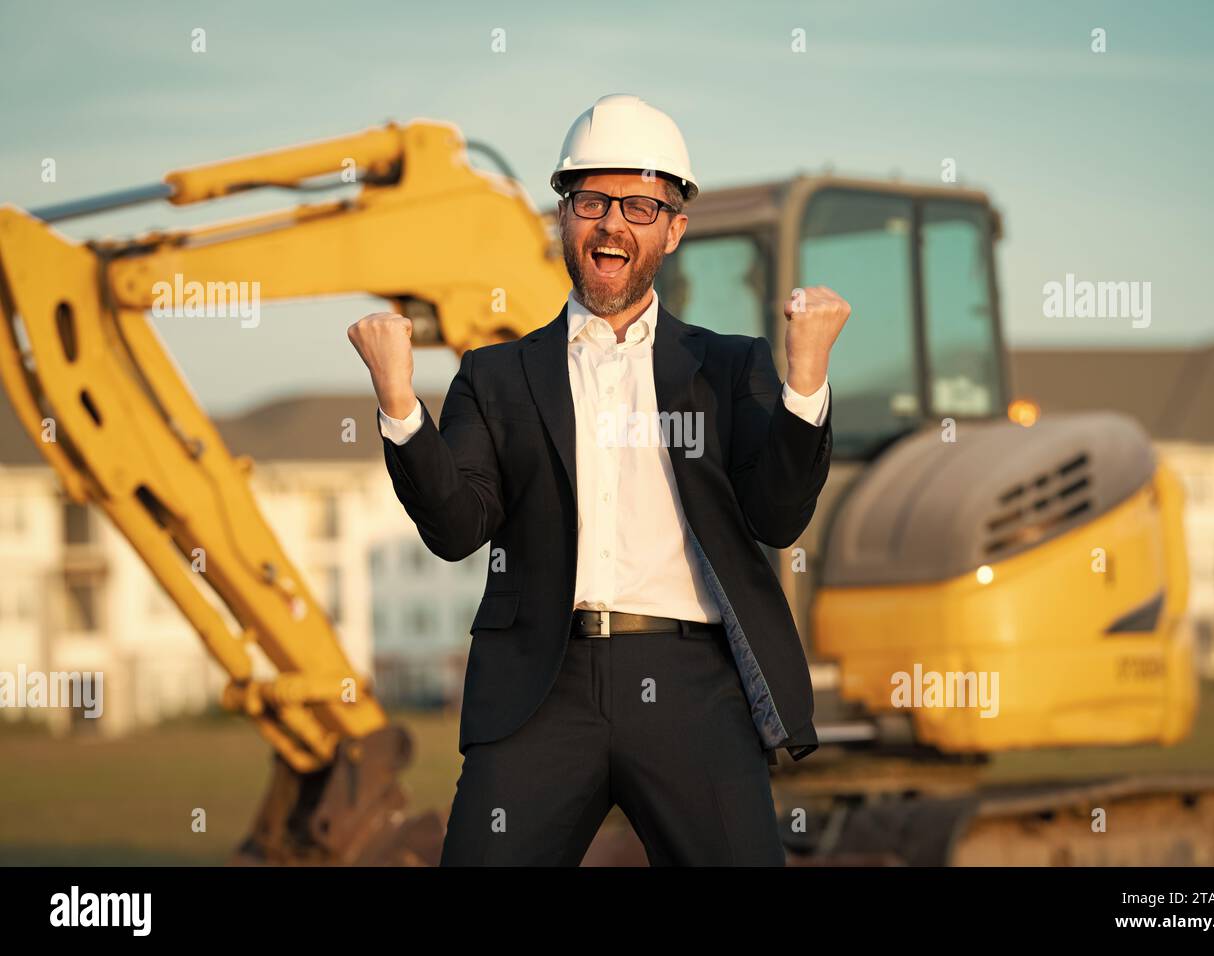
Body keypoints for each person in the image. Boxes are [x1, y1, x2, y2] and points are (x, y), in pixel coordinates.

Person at [348, 94, 850, 865]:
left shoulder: (727, 366)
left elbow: (778, 517)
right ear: (563, 216)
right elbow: (455, 530)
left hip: (693, 687)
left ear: (674, 229)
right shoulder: (497, 375)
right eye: (592, 201)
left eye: (641, 206)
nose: (613, 222)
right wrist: (398, 406)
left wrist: (806, 384)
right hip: (541, 690)